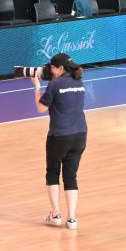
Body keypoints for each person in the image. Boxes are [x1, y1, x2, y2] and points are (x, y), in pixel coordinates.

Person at [31, 52, 87, 231]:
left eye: (52, 68)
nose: (51, 71)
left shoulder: (55, 84)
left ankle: (55, 214)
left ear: (60, 68)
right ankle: (72, 219)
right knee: (71, 176)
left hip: (59, 136)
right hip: (80, 135)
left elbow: (41, 107)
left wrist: (37, 87)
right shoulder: (79, 82)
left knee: (53, 172)